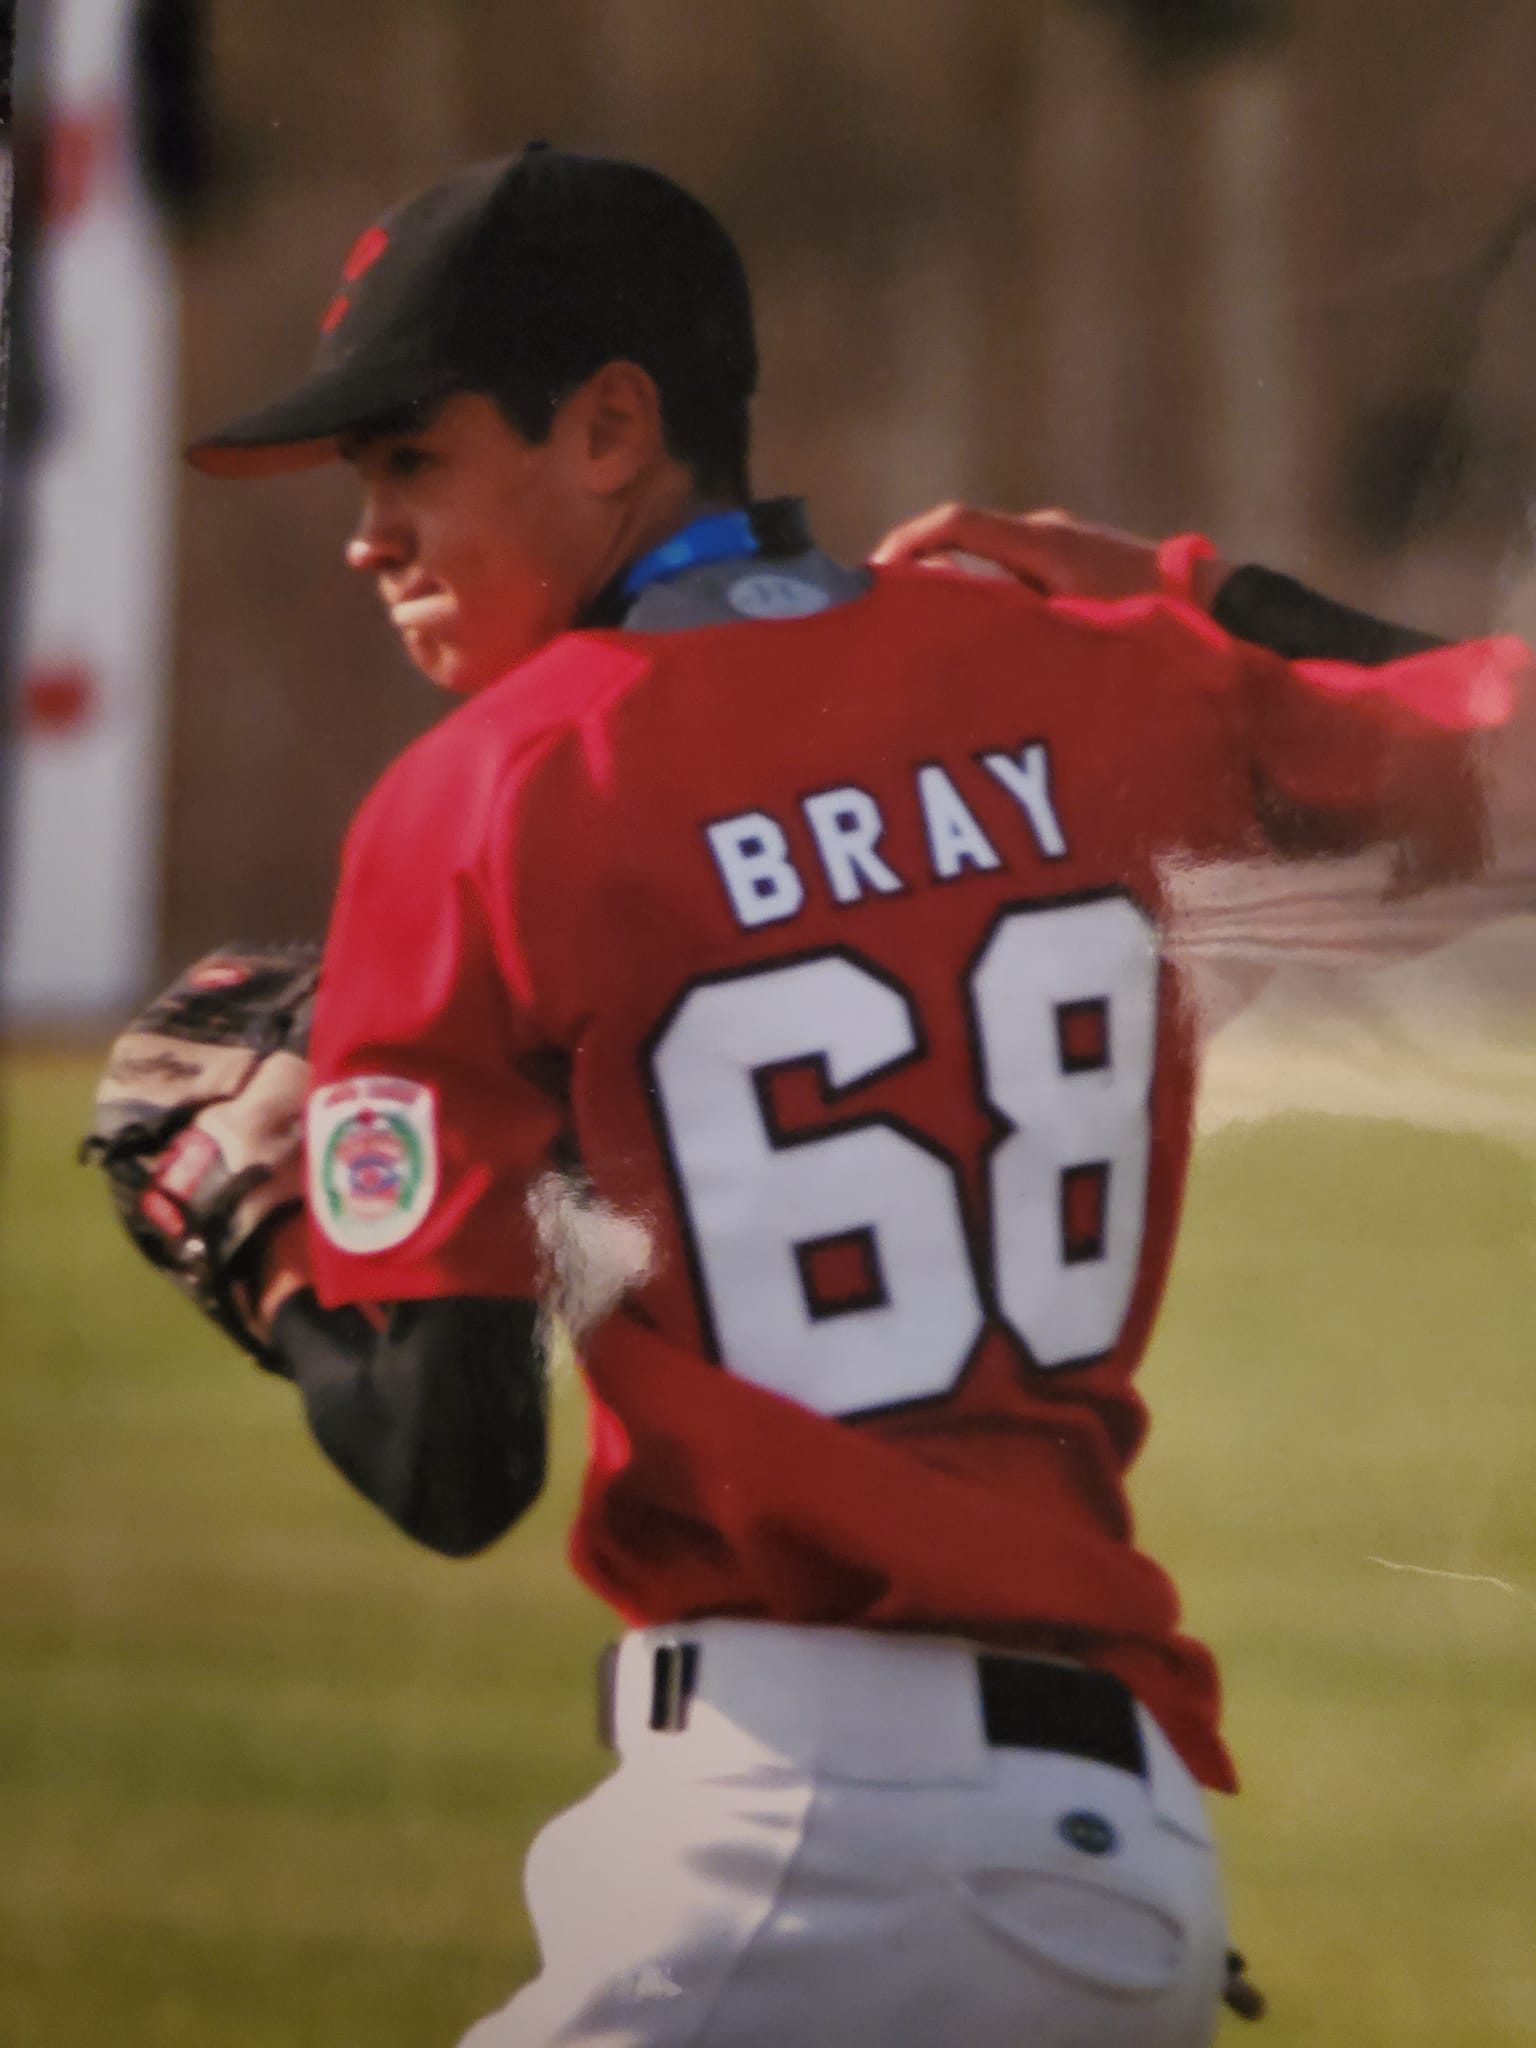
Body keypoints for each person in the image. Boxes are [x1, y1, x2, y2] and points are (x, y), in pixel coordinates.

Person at [181, 144, 1526, 2047]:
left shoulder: (486, 795)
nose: (366, 532)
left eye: (411, 457)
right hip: (1118, 1855)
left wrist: (253, 1231)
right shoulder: (1100, 682)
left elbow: (450, 1465)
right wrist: (1203, 597)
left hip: (795, 1840)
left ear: (610, 428)